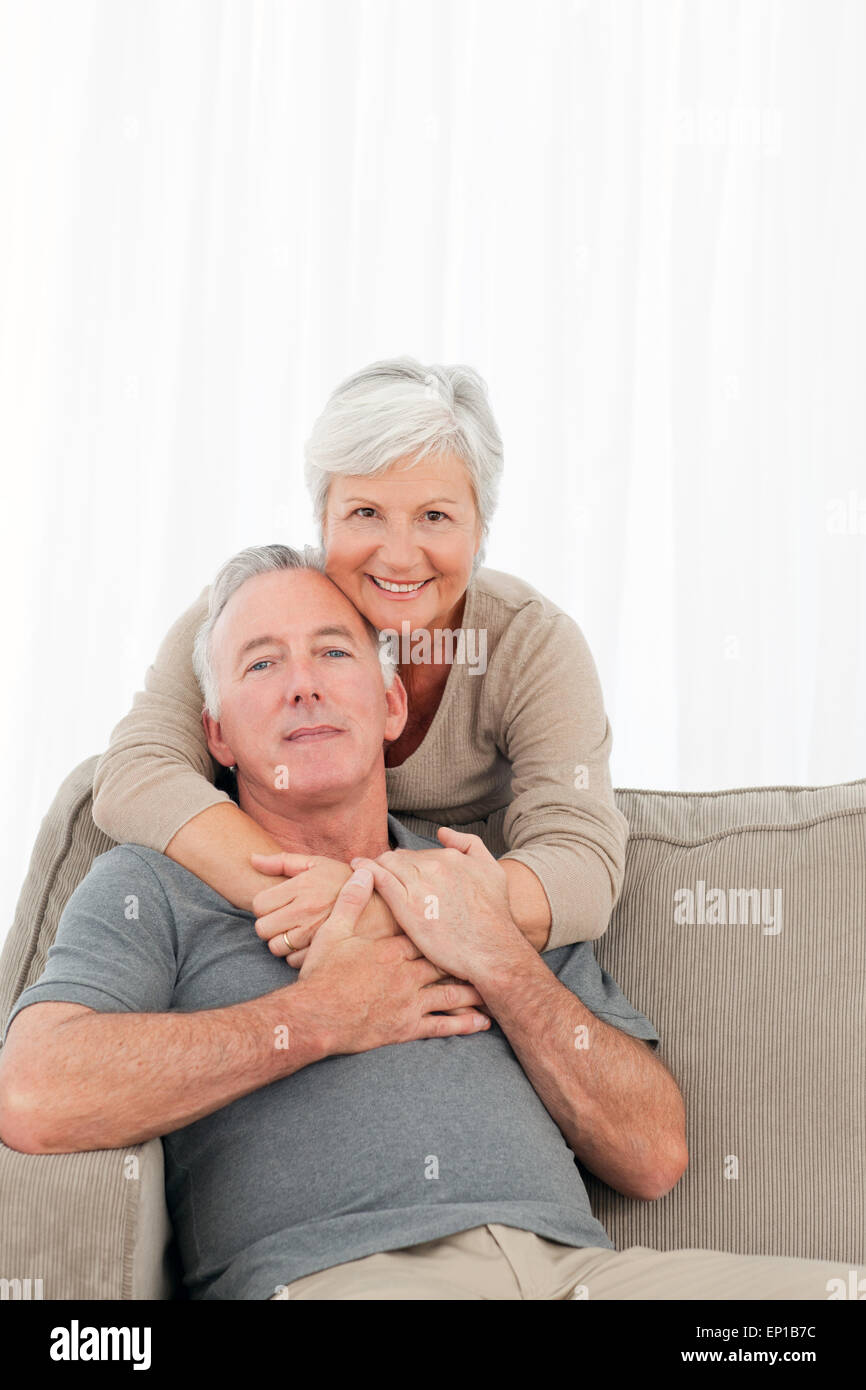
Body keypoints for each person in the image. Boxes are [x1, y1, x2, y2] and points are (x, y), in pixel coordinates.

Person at [1, 547, 859, 1301]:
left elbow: (653, 1151)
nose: (302, 682)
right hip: (352, 1279)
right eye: (262, 665)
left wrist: (500, 961)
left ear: (391, 708)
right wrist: (316, 1020)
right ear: (217, 735)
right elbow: (32, 1090)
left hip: (580, 1281)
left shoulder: (485, 880)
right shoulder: (152, 884)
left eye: (332, 651)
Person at [90, 357, 629, 961]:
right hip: (281, 886)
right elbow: (134, 772)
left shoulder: (531, 643)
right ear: (323, 520)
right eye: (366, 512)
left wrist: (373, 911)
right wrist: (309, 898)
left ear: (481, 530)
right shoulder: (249, 610)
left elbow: (580, 865)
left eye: (435, 516)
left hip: (454, 883)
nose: (399, 557)